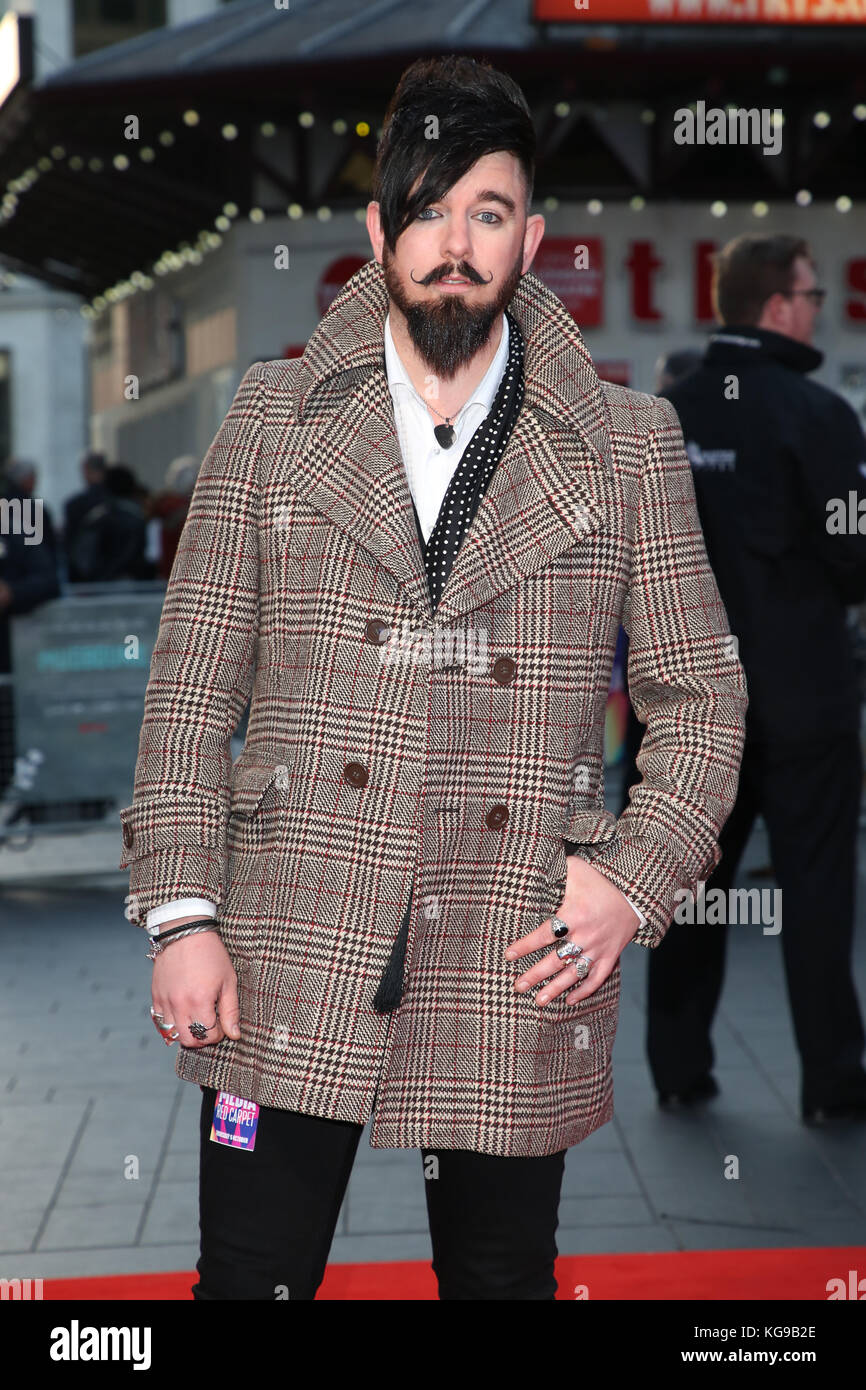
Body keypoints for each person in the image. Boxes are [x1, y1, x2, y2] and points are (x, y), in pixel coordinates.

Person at [119, 55, 746, 1301]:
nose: (453, 243)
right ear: (376, 230)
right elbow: (192, 687)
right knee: (249, 1282)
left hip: (519, 947)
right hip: (285, 941)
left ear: (531, 235)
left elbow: (701, 692)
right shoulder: (274, 415)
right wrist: (183, 914)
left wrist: (630, 881)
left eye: (488, 211)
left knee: (501, 1284)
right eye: (426, 208)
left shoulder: (625, 445)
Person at [647, 233, 866, 1124]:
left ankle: (677, 1066)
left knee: (693, 886)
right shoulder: (817, 412)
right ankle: (834, 1083)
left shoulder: (666, 415)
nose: (818, 308)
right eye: (811, 294)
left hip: (694, 703)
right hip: (804, 694)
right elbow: (856, 559)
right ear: (779, 306)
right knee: (815, 887)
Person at [63, 450, 109, 582]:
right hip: (119, 577)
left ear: (85, 470)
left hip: (83, 576)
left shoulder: (74, 505)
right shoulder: (122, 502)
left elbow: (69, 544)